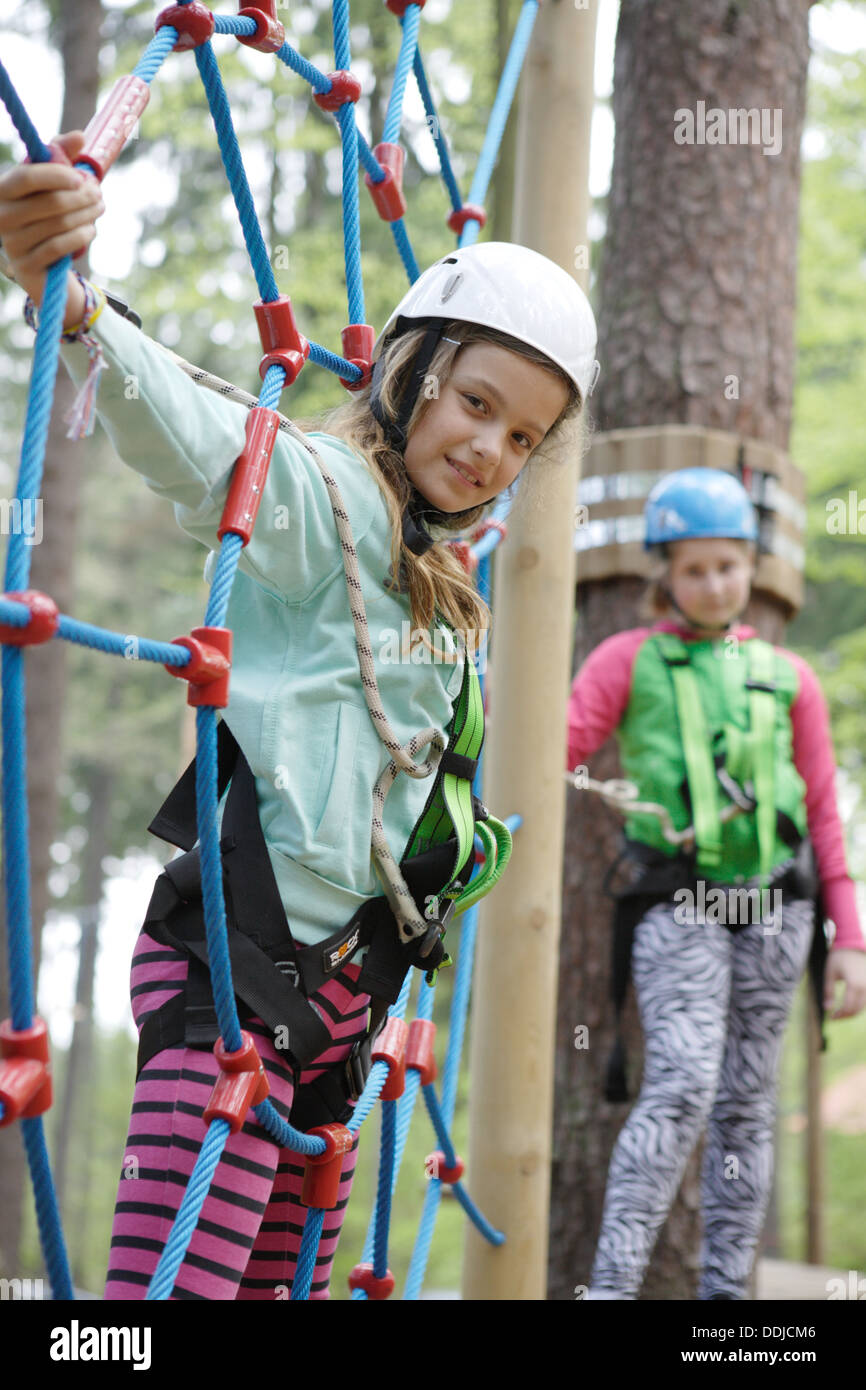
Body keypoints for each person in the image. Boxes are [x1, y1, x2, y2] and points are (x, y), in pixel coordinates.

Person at [0, 130, 598, 1299]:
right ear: (415, 373)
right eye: (475, 403)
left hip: (344, 1006)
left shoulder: (445, 590)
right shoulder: (326, 502)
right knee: (167, 1301)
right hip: (236, 975)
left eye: (520, 436)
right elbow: (204, 440)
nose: (489, 449)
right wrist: (79, 316)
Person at [566, 466, 866, 1301]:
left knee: (746, 1103)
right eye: (694, 569)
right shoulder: (626, 660)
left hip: (778, 908)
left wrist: (852, 941)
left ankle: (728, 1302)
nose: (712, 584)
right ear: (665, 575)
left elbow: (823, 816)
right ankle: (612, 1289)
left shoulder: (790, 678)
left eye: (728, 566)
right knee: (685, 1080)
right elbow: (554, 744)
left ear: (750, 566)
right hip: (679, 902)